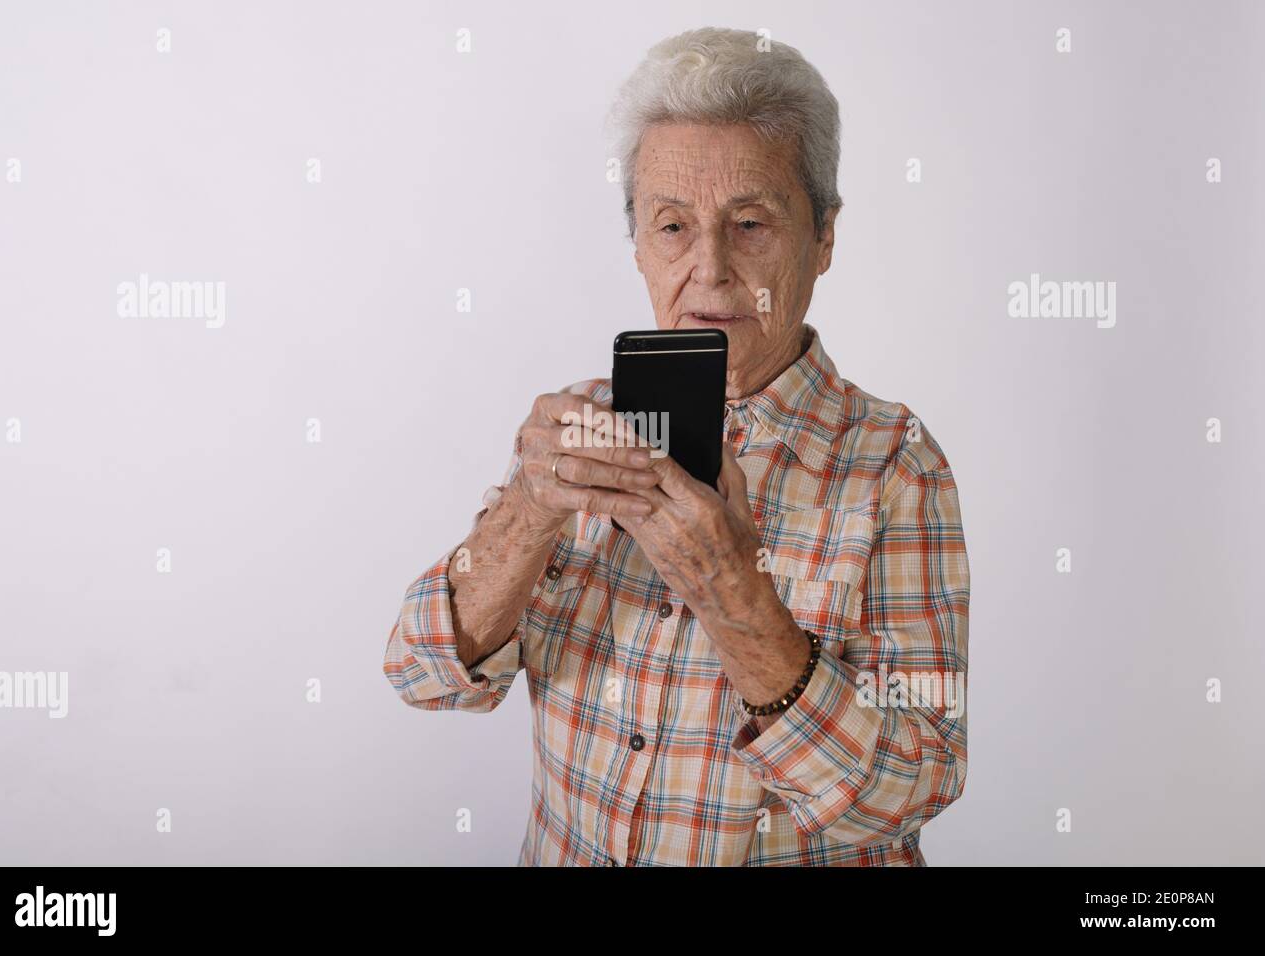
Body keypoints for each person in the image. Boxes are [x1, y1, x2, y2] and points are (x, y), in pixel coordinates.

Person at [385, 26, 971, 866]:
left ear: (825, 237)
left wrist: (735, 593)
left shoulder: (895, 465)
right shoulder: (575, 434)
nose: (710, 268)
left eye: (752, 223)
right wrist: (527, 513)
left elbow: (918, 783)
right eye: (672, 226)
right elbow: (422, 675)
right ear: (636, 244)